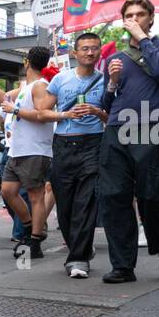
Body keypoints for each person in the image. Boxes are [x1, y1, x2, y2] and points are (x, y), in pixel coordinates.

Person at [98, 0, 159, 283]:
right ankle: (122, 265)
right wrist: (111, 82)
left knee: (151, 196)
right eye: (128, 15)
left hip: (149, 125)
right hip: (118, 128)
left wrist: (142, 38)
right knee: (113, 196)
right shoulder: (115, 58)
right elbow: (106, 103)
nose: (133, 19)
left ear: (151, 18)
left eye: (140, 14)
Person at [46, 32, 107, 277]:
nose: (89, 53)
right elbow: (42, 111)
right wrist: (65, 115)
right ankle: (78, 248)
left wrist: (95, 110)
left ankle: (79, 259)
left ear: (100, 51)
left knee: (86, 202)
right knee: (66, 205)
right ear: (75, 52)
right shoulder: (61, 79)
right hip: (63, 144)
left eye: (94, 48)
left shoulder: (106, 81)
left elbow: (112, 118)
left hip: (93, 144)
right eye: (84, 48)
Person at [0, 47, 57, 260]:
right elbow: (4, 99)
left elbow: (42, 114)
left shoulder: (41, 86)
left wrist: (15, 110)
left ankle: (34, 241)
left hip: (35, 149)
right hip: (18, 150)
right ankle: (29, 228)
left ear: (26, 62)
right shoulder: (27, 86)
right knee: (8, 191)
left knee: (35, 196)